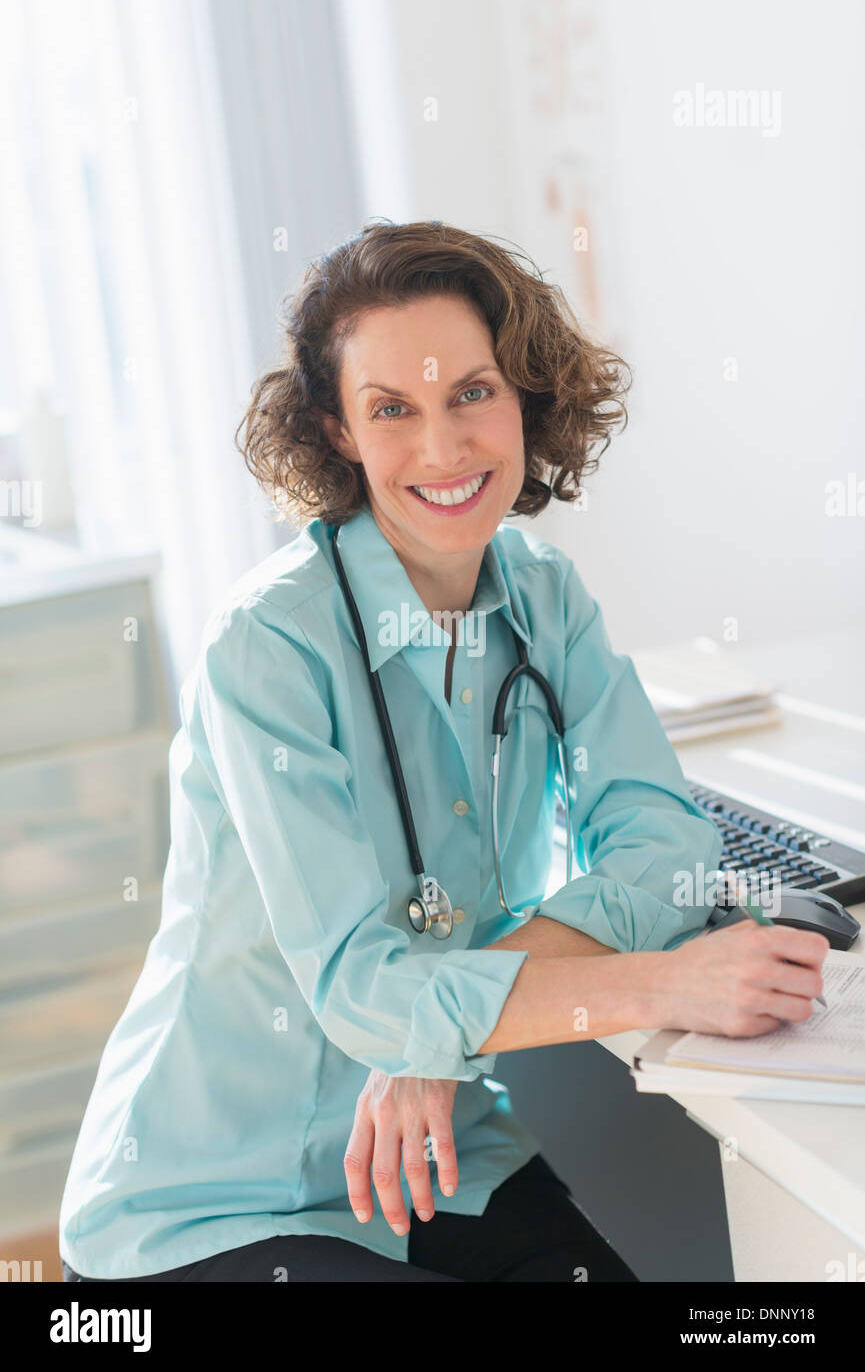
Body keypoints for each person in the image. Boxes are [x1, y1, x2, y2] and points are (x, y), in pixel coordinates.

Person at [59, 219, 828, 1283]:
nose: (444, 448)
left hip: (439, 1149)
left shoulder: (544, 598)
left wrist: (437, 1038)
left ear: (522, 393)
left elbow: (661, 842)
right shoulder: (270, 646)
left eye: (471, 391)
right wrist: (664, 984)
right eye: (391, 410)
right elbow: (363, 992)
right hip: (214, 1194)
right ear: (337, 431)